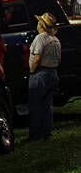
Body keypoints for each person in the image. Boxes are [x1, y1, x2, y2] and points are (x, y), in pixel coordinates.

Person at [27, 12, 62, 142]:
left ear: (41, 25)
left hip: (40, 74)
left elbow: (37, 58)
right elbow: (58, 60)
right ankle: (47, 132)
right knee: (47, 105)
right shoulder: (55, 39)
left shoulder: (40, 38)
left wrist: (32, 71)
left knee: (36, 106)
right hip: (52, 73)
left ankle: (36, 134)